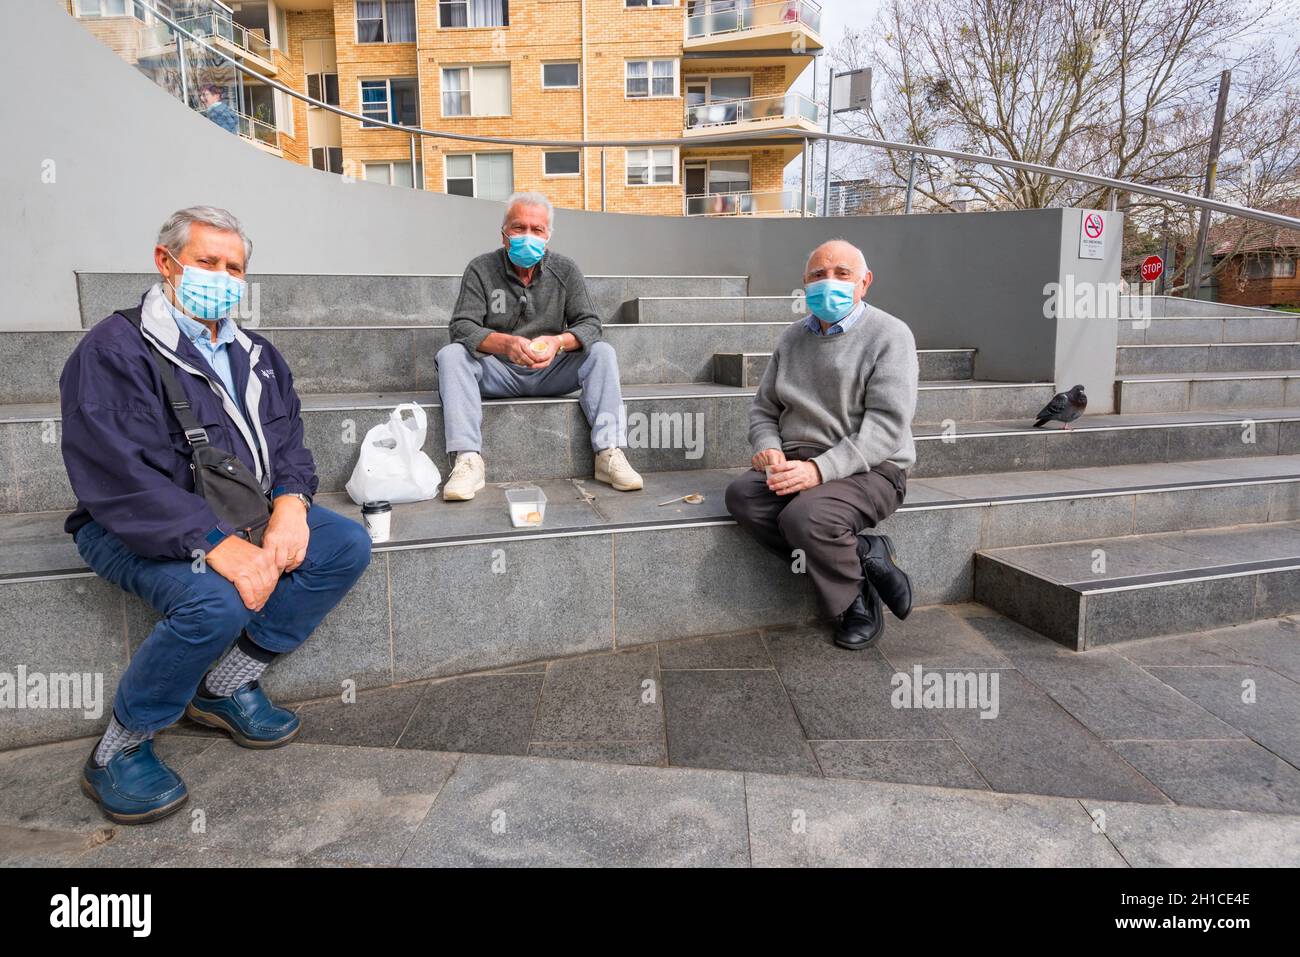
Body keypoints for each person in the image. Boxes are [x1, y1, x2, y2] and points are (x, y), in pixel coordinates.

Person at [60, 206, 372, 825]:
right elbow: (118, 478)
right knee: (216, 601)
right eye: (208, 263)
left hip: (243, 509)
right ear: (165, 262)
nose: (223, 277)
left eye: (235, 267)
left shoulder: (256, 353)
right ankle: (119, 747)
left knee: (344, 546)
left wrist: (290, 504)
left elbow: (287, 442)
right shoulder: (114, 350)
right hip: (131, 524)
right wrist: (215, 544)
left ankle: (225, 685)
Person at [724, 239, 918, 651]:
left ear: (864, 283)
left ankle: (854, 601)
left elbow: (887, 426)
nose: (828, 282)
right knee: (742, 496)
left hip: (872, 468)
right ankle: (863, 552)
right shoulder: (792, 338)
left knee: (806, 517)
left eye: (842, 274)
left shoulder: (890, 335)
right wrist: (769, 446)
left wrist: (818, 472)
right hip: (800, 459)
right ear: (804, 284)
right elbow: (764, 409)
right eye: (818, 275)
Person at [435, 191, 643, 500]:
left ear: (548, 236)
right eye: (519, 228)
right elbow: (461, 326)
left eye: (537, 229)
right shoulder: (481, 269)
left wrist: (558, 342)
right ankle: (468, 459)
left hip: (551, 371)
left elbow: (590, 324)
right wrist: (504, 344)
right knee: (451, 355)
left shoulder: (565, 270)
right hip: (497, 372)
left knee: (602, 352)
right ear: (504, 234)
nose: (527, 236)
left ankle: (608, 453)